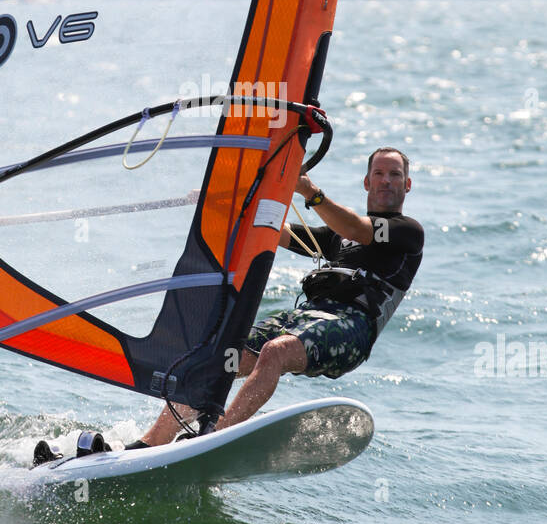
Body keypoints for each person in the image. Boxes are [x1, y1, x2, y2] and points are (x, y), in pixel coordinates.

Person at [132, 146, 424, 448]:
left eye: (395, 174)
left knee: (275, 352)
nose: (386, 180)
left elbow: (361, 229)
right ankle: (151, 443)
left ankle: (213, 437)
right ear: (367, 182)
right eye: (379, 173)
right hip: (307, 317)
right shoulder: (337, 237)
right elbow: (274, 230)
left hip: (352, 329)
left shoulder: (408, 233)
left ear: (407, 184)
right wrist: (225, 204)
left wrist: (312, 193)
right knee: (223, 353)